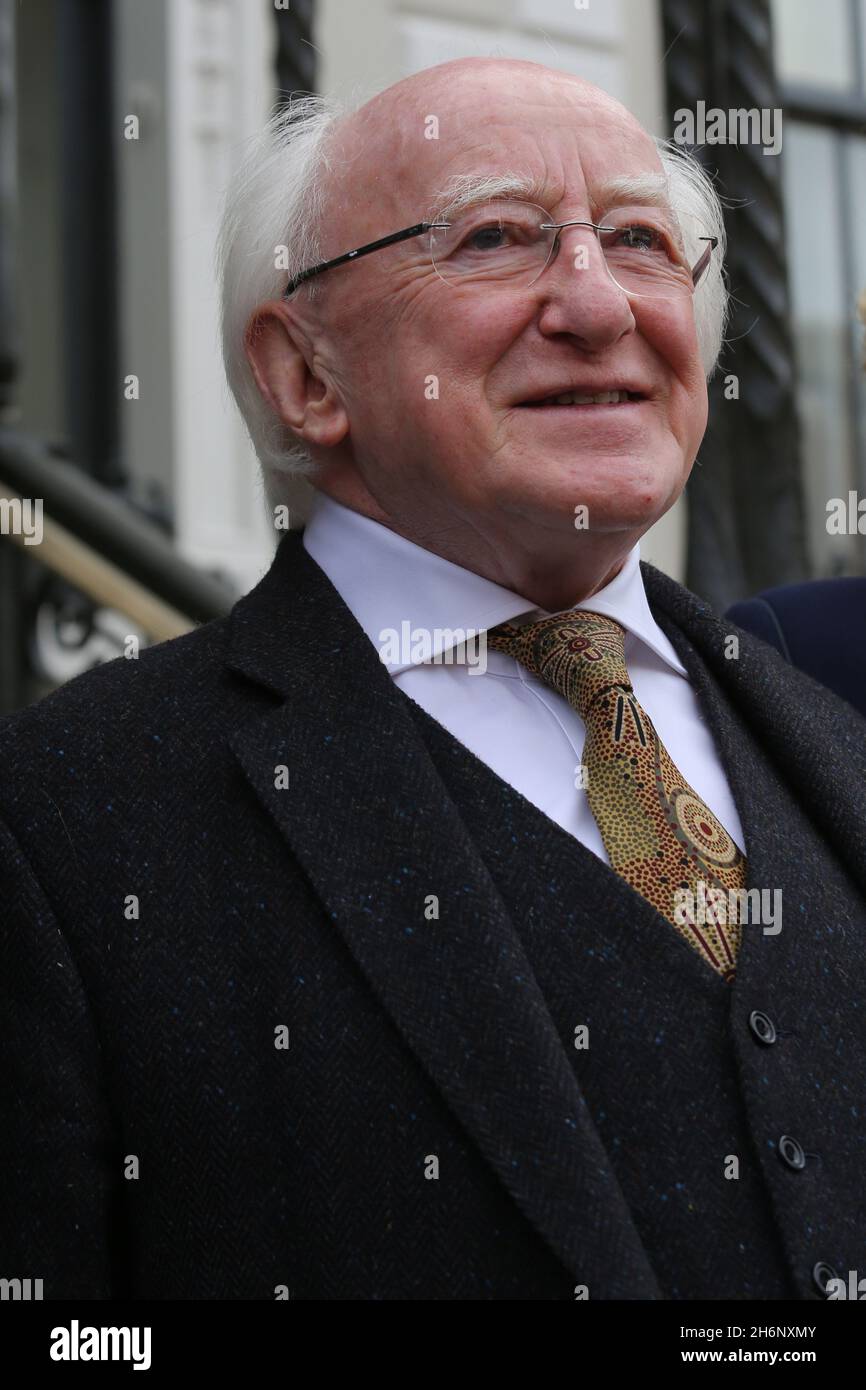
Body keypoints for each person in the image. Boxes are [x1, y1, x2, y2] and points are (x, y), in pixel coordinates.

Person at [2, 58, 865, 1302]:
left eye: (637, 240)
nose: (596, 302)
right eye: (497, 237)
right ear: (305, 372)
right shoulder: (64, 827)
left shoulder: (825, 739)